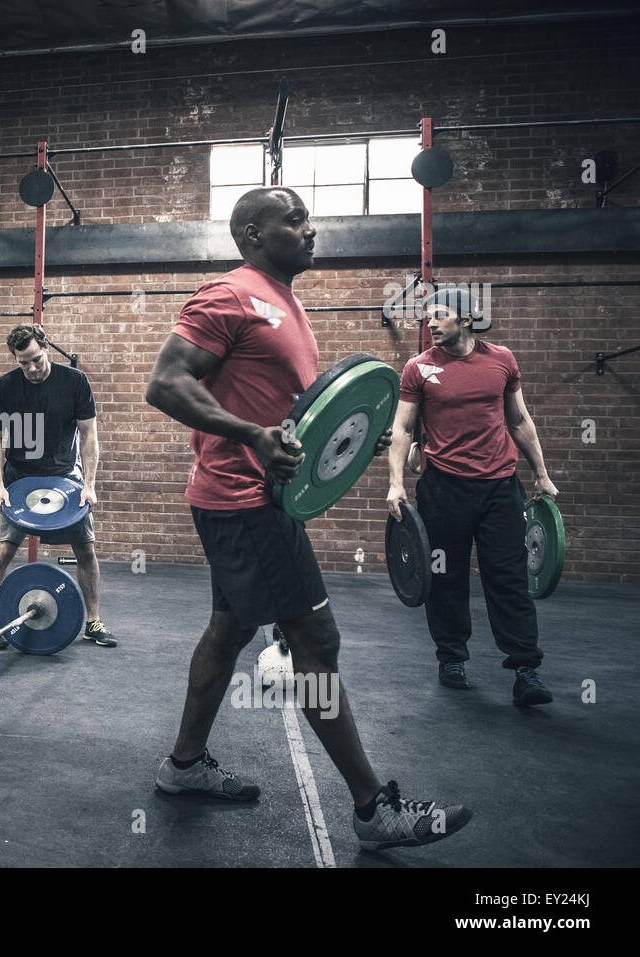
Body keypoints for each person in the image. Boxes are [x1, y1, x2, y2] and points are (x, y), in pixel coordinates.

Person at [144, 186, 471, 850]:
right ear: (252, 234)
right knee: (315, 641)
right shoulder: (229, 295)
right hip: (244, 502)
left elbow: (297, 419)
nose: (311, 229)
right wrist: (253, 436)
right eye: (294, 219)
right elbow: (166, 382)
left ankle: (183, 765)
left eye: (308, 218)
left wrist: (355, 436)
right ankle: (372, 805)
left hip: (252, 498)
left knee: (229, 629)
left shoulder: (286, 303)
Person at [386, 287, 556, 705]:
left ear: (466, 319)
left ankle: (525, 669)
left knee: (509, 578)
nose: (430, 322)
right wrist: (396, 483)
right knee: (445, 576)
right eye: (428, 316)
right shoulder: (418, 368)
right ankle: (452, 658)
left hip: (500, 486)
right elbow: (402, 430)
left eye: (439, 315)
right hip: (444, 488)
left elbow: (519, 420)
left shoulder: (502, 360)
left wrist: (542, 474)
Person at [0, 324, 115, 647]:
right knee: (4, 548)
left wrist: (89, 484)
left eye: (36, 359)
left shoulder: (75, 382)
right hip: (19, 478)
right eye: (22, 362)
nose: (31, 368)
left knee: (85, 549)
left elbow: (89, 435)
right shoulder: (4, 387)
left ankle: (93, 621)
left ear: (46, 347)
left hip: (65, 477)